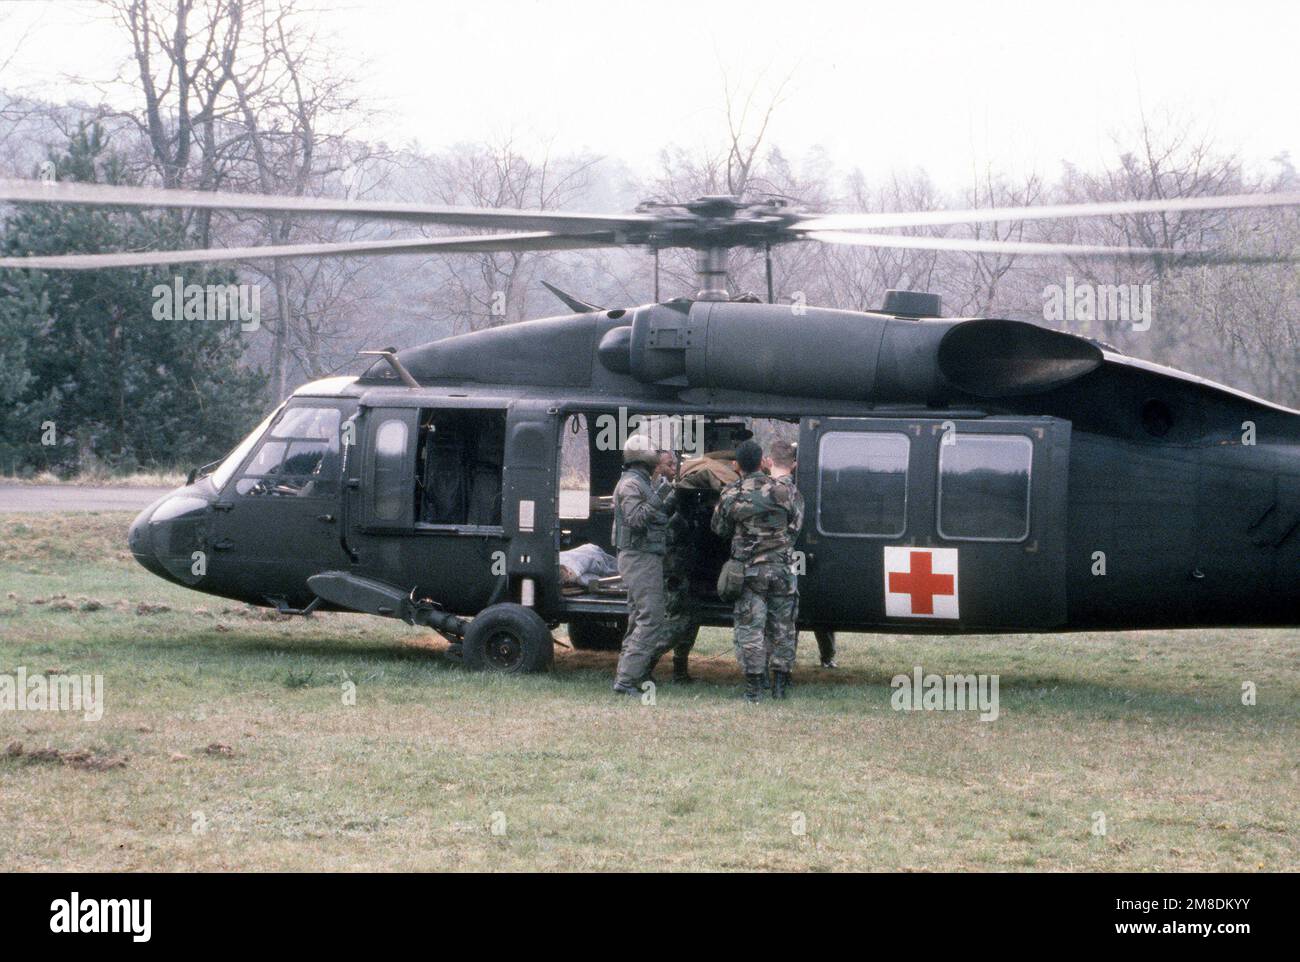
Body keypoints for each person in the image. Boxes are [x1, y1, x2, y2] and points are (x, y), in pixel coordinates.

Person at [711, 439, 804, 702]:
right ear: (763, 461)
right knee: (783, 628)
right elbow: (795, 527)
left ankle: (754, 689)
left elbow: (719, 529)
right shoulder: (786, 491)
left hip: (749, 572)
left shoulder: (731, 494)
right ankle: (780, 686)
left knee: (750, 628)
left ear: (735, 465)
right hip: (783, 570)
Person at [611, 434, 672, 696]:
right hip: (639, 556)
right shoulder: (631, 485)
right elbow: (636, 519)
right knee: (651, 618)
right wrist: (660, 496)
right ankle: (626, 681)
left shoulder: (641, 483)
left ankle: (629, 675)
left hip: (644, 555)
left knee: (638, 618)